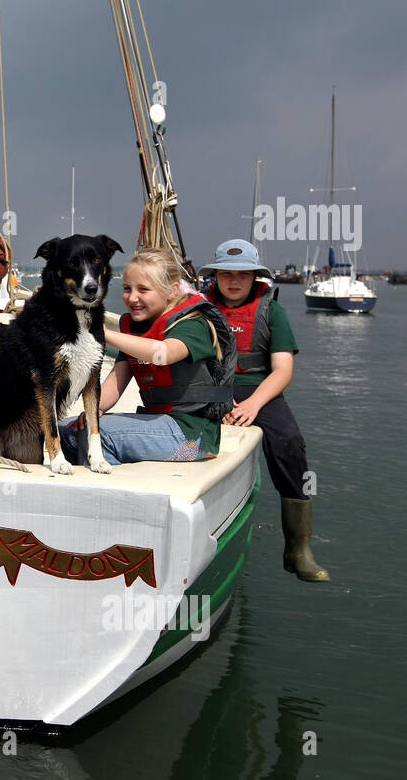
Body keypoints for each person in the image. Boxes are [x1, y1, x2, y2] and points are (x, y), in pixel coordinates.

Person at [202, 240, 328, 582]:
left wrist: (255, 403)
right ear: (214, 276)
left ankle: (298, 547)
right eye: (225, 274)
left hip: (259, 387)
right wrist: (220, 400)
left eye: (242, 275)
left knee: (290, 442)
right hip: (211, 383)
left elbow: (283, 370)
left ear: (255, 278)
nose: (233, 281)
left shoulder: (272, 311)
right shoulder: (198, 307)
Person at [58, 248, 232, 469]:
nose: (132, 298)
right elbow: (117, 379)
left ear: (172, 291)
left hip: (191, 434)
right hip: (158, 421)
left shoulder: (192, 323)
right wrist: (94, 411)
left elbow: (163, 354)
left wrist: (105, 334)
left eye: (143, 290)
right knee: (66, 431)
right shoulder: (134, 328)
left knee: (98, 437)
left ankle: (106, 494)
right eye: (127, 289)